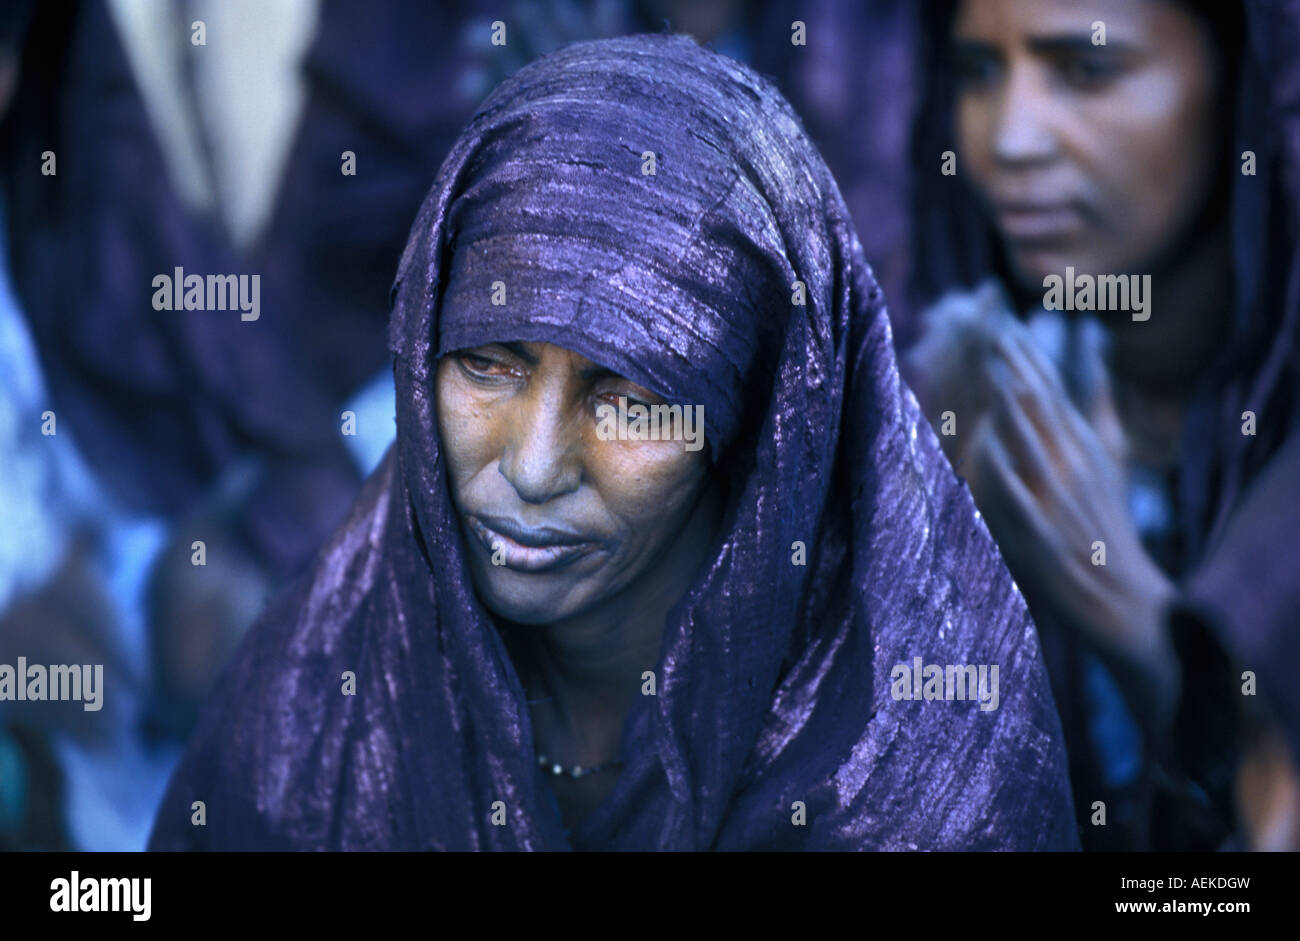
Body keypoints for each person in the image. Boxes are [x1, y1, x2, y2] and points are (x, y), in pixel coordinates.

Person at [148, 33, 1077, 851]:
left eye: (629, 398)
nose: (532, 466)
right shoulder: (311, 713)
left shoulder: (908, 772)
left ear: (757, 423)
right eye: (488, 365)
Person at [902, 0, 1299, 849]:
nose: (1010, 141)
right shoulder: (962, 401)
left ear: (1244, 85)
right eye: (979, 70)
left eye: (1087, 70)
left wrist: (1135, 619)